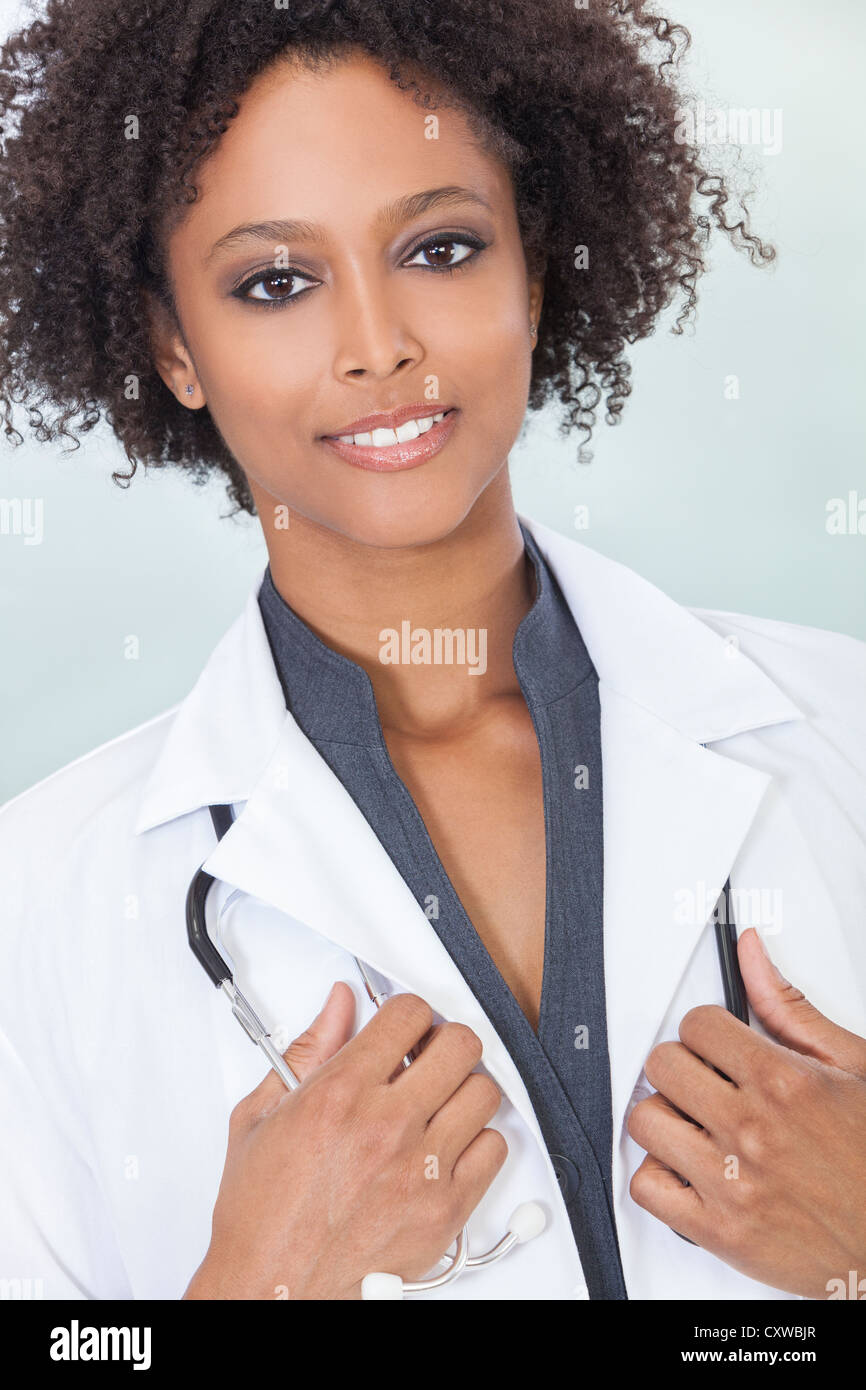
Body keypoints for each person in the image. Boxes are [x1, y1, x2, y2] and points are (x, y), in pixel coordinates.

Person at [0, 0, 864, 1302]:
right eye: (275, 282)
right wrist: (255, 1281)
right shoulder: (38, 910)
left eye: (440, 247)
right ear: (174, 344)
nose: (377, 346)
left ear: (534, 266)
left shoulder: (840, 724)